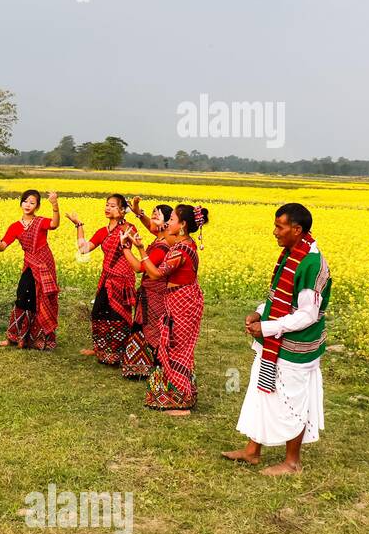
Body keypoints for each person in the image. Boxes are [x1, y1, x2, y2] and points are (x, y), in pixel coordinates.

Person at [223, 203, 332, 476]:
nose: (274, 232)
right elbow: (279, 298)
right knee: (262, 389)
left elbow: (307, 314)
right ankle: (252, 451)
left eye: (279, 227)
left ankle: (292, 462)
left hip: (295, 347)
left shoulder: (310, 263)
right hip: (276, 341)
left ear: (297, 229)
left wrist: (269, 328)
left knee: (292, 400)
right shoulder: (292, 253)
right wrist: (259, 314)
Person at [122, 204, 209, 414]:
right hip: (180, 299)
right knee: (172, 347)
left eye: (171, 220)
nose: (168, 222)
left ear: (183, 225)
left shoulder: (180, 250)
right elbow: (157, 230)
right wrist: (139, 215)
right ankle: (178, 397)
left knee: (176, 349)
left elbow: (155, 274)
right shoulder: (182, 242)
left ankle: (181, 402)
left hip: (182, 302)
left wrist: (140, 248)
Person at [0, 189, 60, 350]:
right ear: (21, 203)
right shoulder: (15, 227)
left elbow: (54, 224)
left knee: (40, 299)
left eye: (32, 202)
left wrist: (54, 204)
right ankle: (15, 337)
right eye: (25, 201)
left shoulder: (40, 222)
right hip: (29, 265)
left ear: (37, 206)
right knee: (22, 297)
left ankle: (37, 339)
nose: (28, 205)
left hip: (44, 264)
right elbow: (2, 246)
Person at [69, 194, 138, 365]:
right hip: (106, 278)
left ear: (123, 211)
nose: (108, 208)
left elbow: (132, 248)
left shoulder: (129, 229)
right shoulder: (102, 231)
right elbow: (84, 249)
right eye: (107, 205)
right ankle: (100, 348)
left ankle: (119, 352)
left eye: (113, 206)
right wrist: (79, 225)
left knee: (118, 315)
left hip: (122, 280)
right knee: (98, 312)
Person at [120, 200, 173, 378]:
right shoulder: (160, 238)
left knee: (153, 330)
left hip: (155, 294)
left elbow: (139, 268)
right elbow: (150, 225)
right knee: (143, 328)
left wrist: (126, 248)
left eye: (158, 214)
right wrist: (138, 212)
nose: (154, 215)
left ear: (167, 223)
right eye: (153, 212)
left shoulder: (163, 246)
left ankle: (161, 368)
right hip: (149, 293)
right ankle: (139, 367)